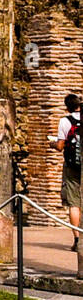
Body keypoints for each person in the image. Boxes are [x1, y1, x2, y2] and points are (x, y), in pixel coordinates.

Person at [52, 93, 82, 251]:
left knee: (74, 203)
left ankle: (77, 239)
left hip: (72, 166)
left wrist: (52, 144)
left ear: (67, 107)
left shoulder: (65, 121)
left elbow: (60, 146)